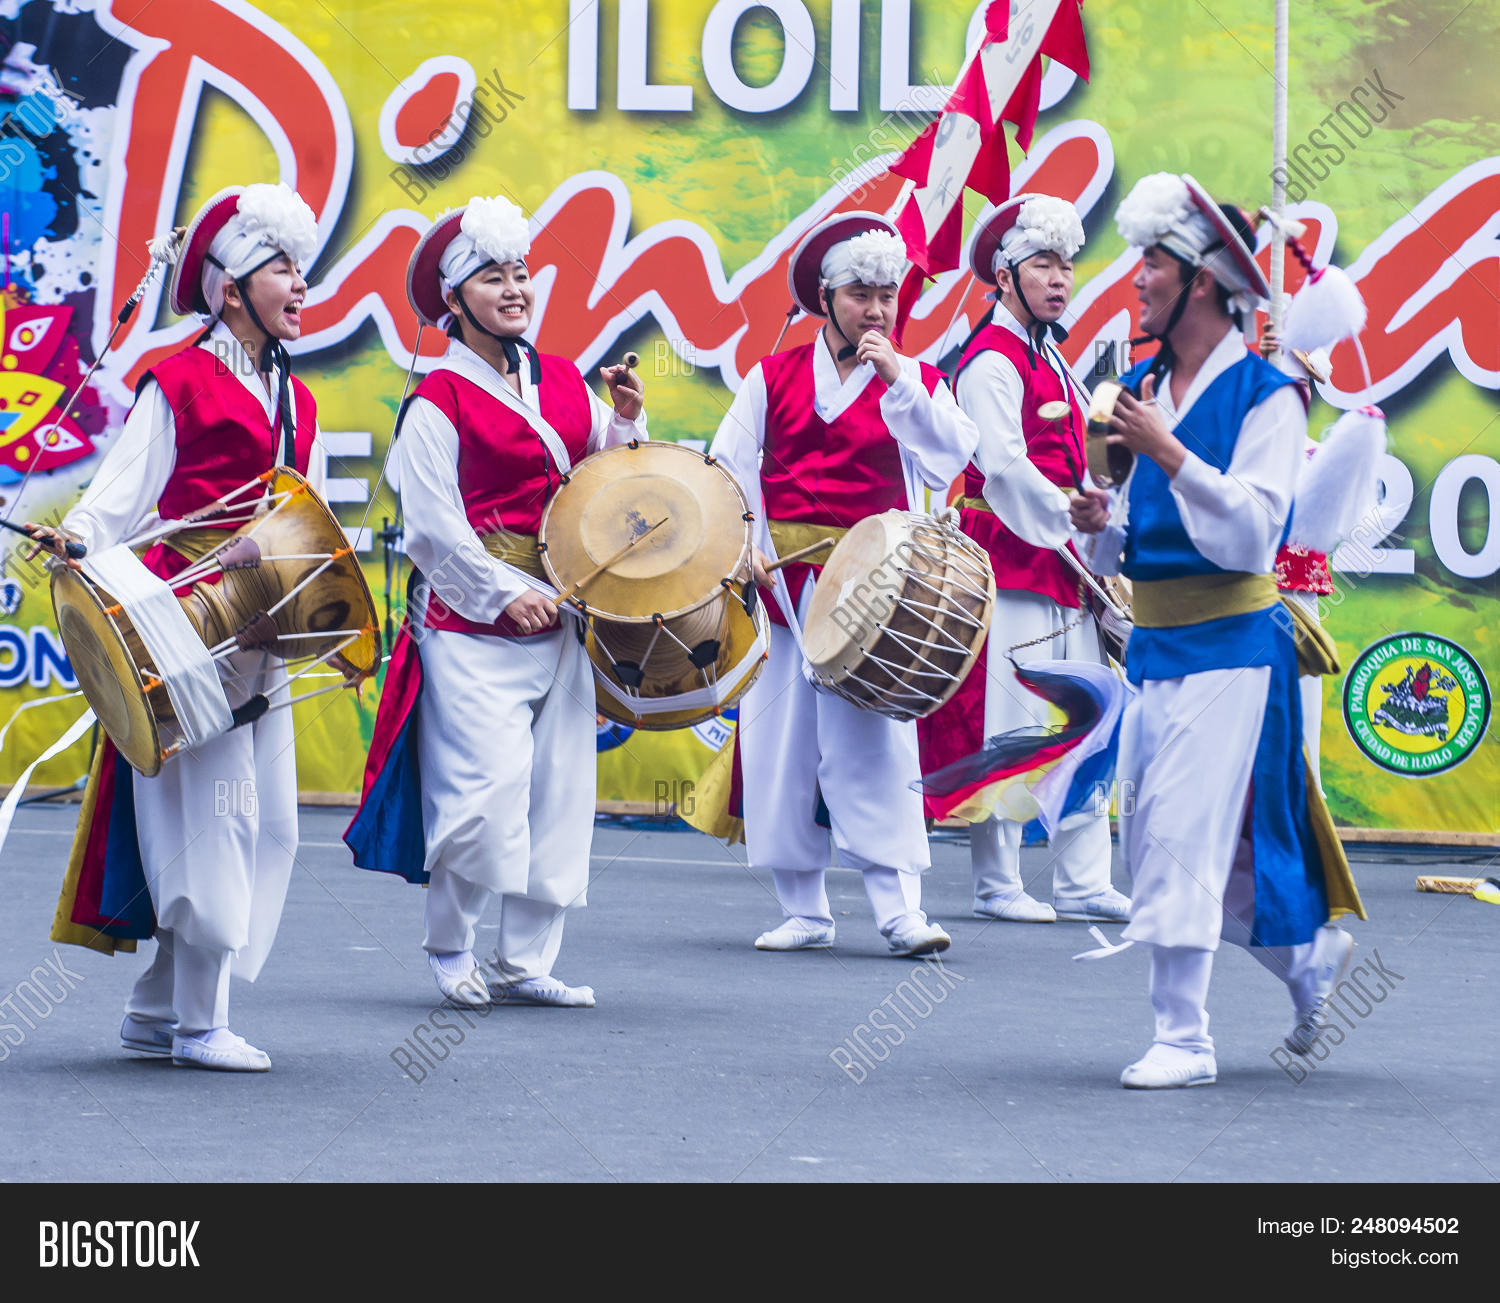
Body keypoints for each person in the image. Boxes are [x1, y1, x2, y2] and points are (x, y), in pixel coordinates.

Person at [1069, 173, 1363, 1089]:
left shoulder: (1269, 394)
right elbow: (1128, 539)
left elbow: (1250, 536)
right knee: (1167, 838)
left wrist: (1169, 450)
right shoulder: (1143, 386)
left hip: (1234, 645)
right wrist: (1098, 519)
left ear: (1201, 280)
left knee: (1180, 836)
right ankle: (1308, 958)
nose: (1135, 278)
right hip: (1155, 645)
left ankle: (1184, 1037)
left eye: (1152, 262)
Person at [32, 183, 328, 1071]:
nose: (301, 284)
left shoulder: (298, 399)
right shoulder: (181, 380)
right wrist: (79, 537)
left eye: (301, 268)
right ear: (230, 289)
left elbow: (299, 517)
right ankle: (201, 1023)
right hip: (184, 626)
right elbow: (119, 493)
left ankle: (156, 1006)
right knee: (217, 820)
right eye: (281, 269)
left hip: (261, 629)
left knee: (271, 825)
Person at [345, 195, 645, 1009]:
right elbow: (432, 526)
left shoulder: (564, 380)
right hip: (471, 629)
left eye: (520, 272)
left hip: (564, 618)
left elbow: (603, 478)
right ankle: (451, 946)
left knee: (557, 789)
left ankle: (527, 958)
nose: (514, 289)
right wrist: (502, 593)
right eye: (491, 277)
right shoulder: (437, 399)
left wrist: (623, 422)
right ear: (454, 299)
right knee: (482, 792)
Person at [709, 211, 978, 957]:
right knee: (783, 746)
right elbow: (727, 467)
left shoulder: (918, 380)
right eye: (862, 294)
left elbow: (953, 453)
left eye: (888, 295)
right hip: (784, 588)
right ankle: (804, 907)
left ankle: (900, 910)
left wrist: (899, 382)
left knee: (874, 744)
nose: (878, 310)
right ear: (826, 298)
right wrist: (746, 545)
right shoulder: (771, 377)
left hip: (874, 594)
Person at [919, 193, 1129, 926]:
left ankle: (1083, 879)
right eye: (1043, 264)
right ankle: (996, 882)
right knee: (1012, 718)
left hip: (1064, 552)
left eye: (1066, 264)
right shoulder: (990, 359)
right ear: (1005, 277)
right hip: (1012, 551)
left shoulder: (1054, 357)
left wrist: (1099, 523)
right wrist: (1074, 521)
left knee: (1087, 714)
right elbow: (1004, 466)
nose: (1060, 277)